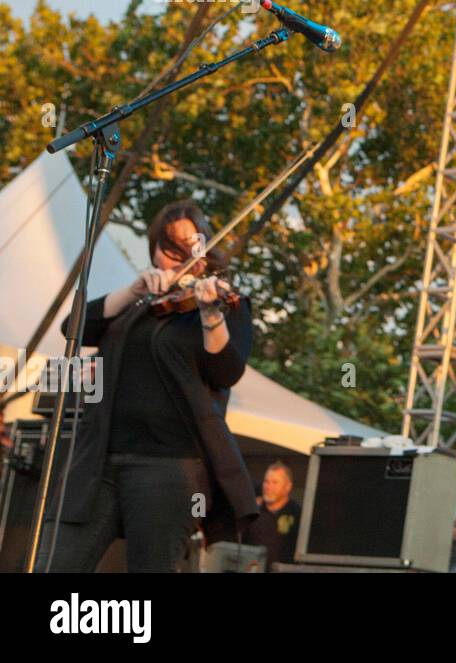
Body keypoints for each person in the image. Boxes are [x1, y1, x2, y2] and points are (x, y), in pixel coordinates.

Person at [39, 199, 258, 572]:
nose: (175, 259)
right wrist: (132, 291)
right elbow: (73, 328)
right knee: (52, 564)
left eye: (186, 250)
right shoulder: (137, 305)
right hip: (100, 460)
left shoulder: (221, 307)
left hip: (169, 468)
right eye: (167, 249)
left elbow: (226, 372)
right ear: (154, 250)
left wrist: (210, 316)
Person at [249, 461, 301, 566]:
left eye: (275, 482)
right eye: (266, 482)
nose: (269, 487)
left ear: (288, 486)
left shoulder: (297, 514)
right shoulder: (253, 512)